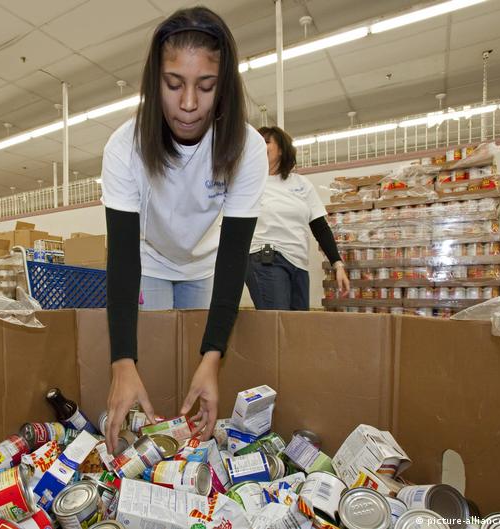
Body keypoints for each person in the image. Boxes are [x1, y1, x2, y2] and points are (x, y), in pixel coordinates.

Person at [101, 7, 267, 453]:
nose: (189, 103)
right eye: (174, 84)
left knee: (198, 372)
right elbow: (122, 257)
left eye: (206, 86)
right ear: (154, 82)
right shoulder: (124, 147)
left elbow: (234, 253)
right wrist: (121, 361)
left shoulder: (247, 147)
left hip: (205, 264)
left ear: (223, 85)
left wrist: (213, 356)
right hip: (149, 261)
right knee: (149, 370)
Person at [246, 127, 350, 309]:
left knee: (297, 323)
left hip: (298, 263)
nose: (260, 147)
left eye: (266, 142)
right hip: (265, 259)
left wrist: (338, 265)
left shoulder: (301, 183)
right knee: (278, 321)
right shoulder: (249, 184)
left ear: (281, 148)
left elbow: (320, 227)